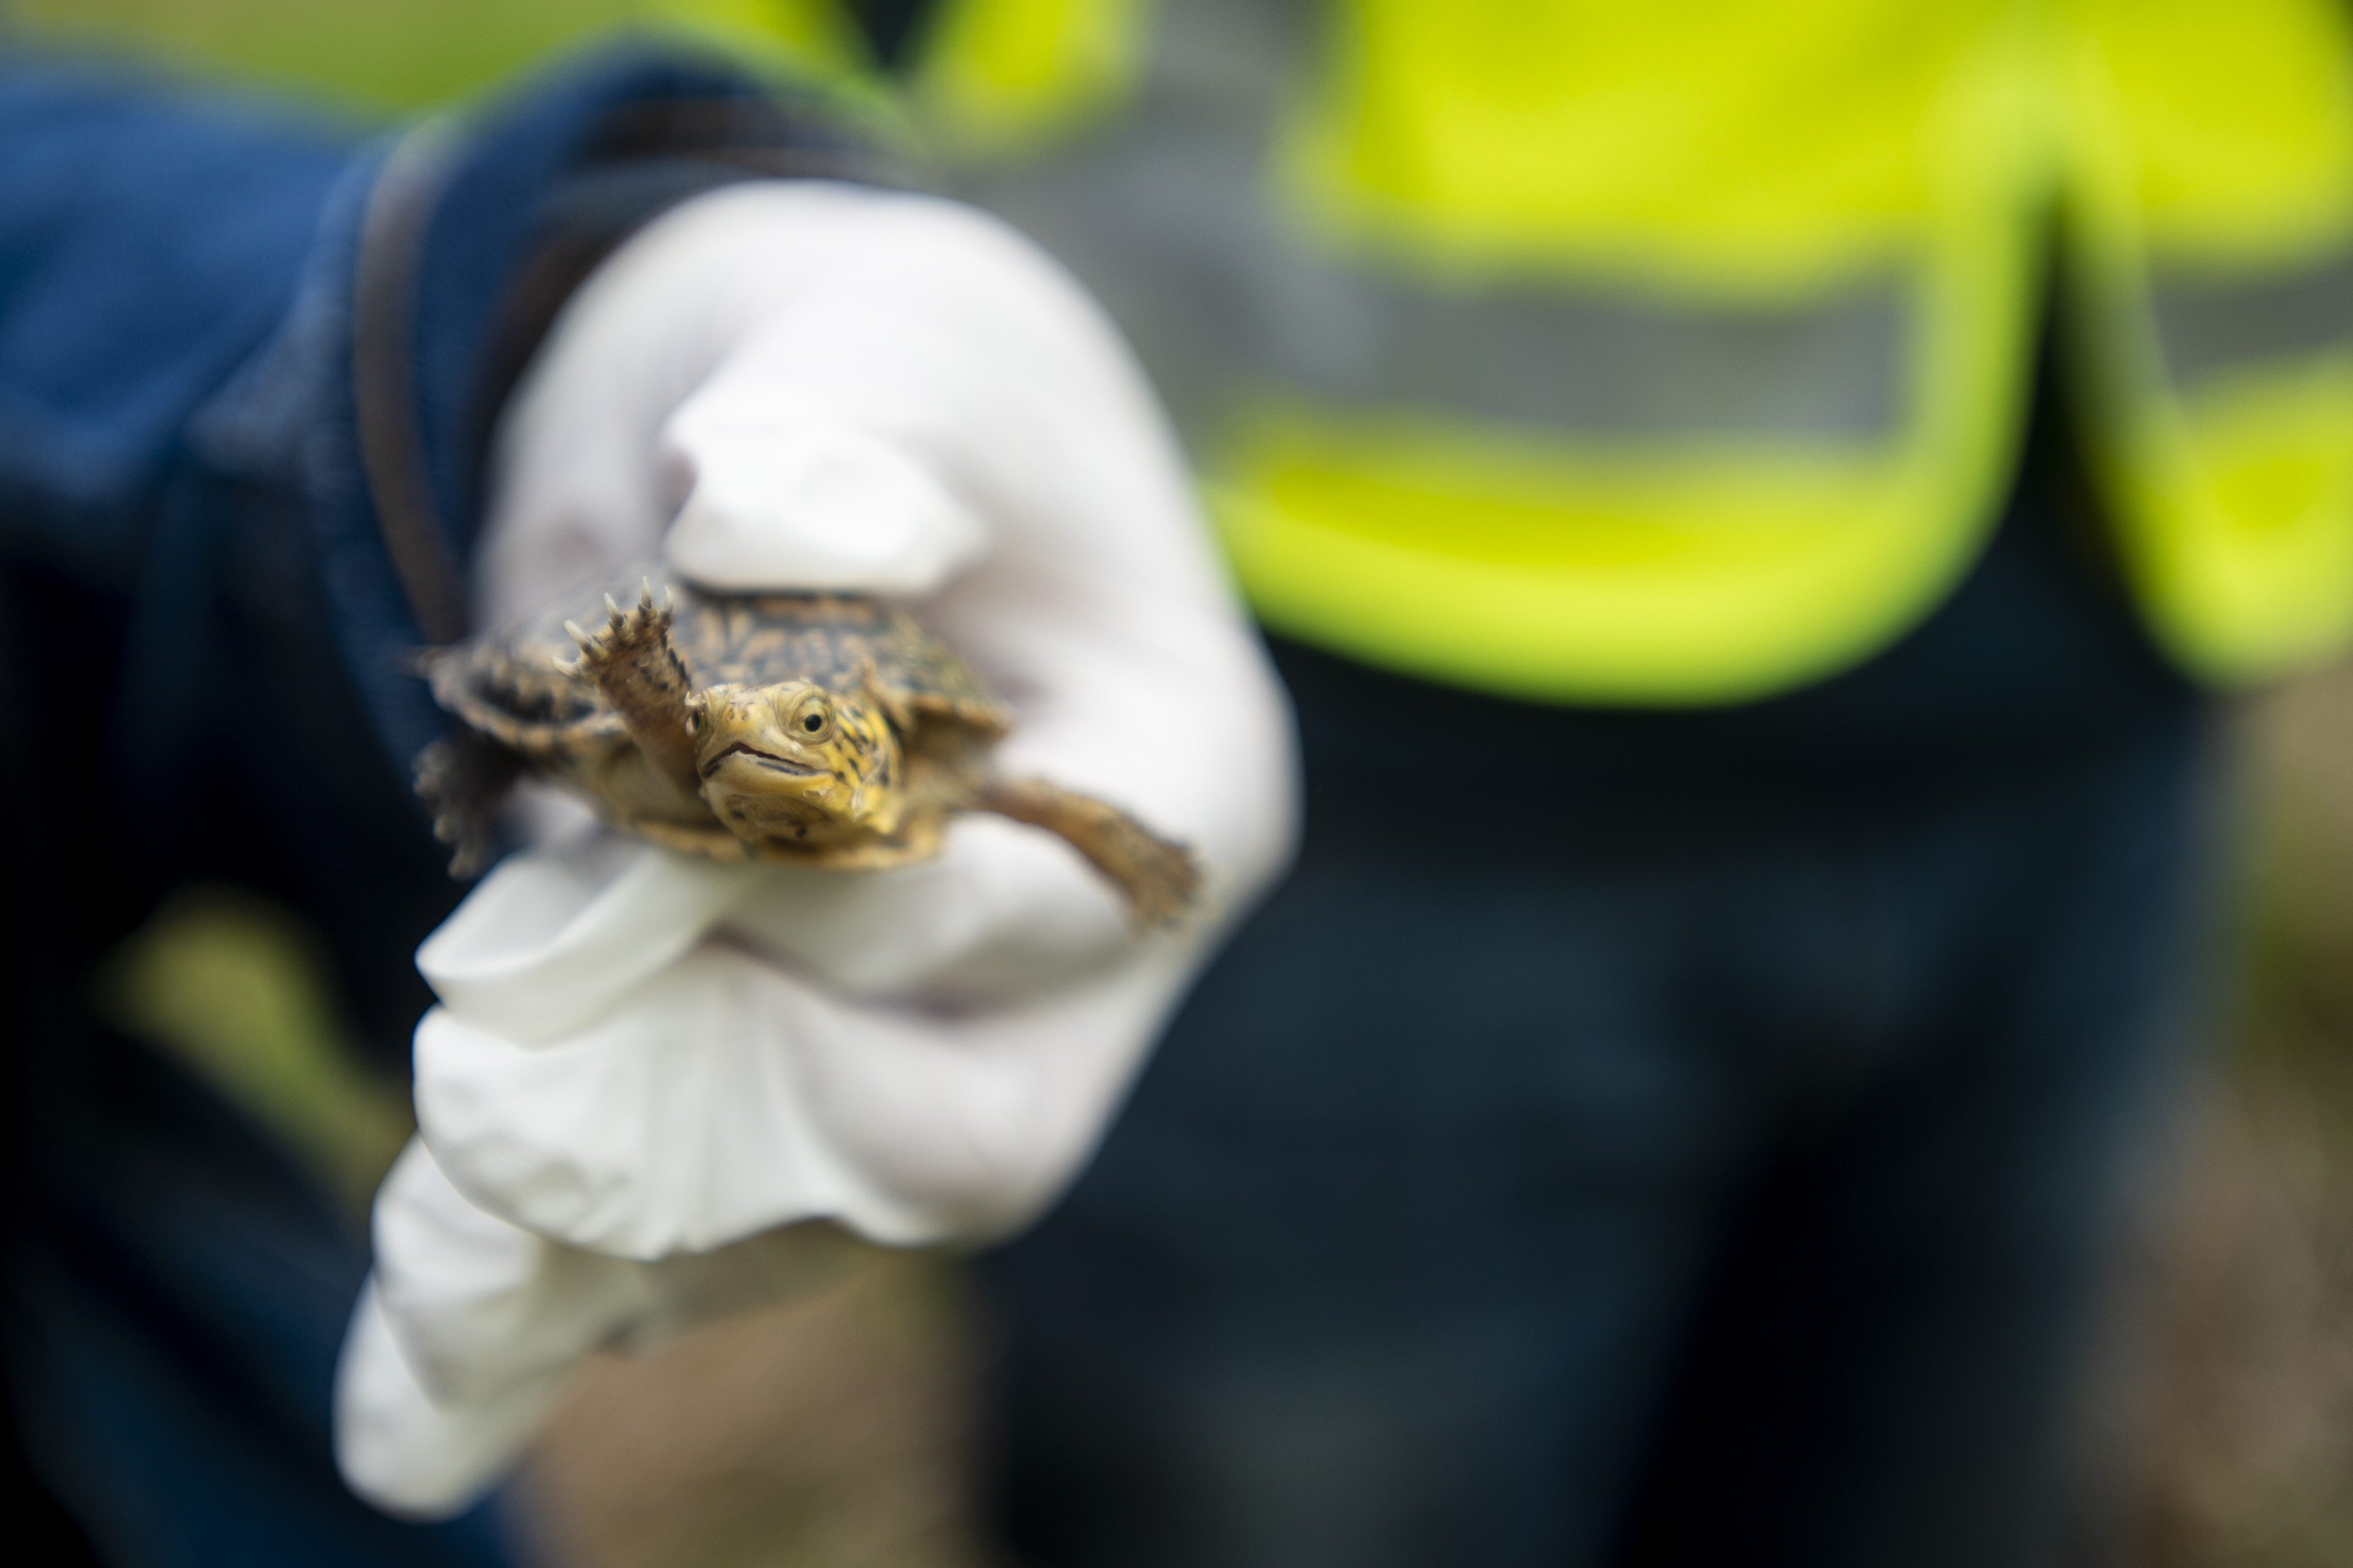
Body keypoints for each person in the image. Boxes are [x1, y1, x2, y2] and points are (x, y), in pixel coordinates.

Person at [0, 30, 1297, 1562]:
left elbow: (1015, 786)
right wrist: (510, 736)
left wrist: (528, 354)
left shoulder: (894, 758)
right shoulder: (689, 735)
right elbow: (604, 699)